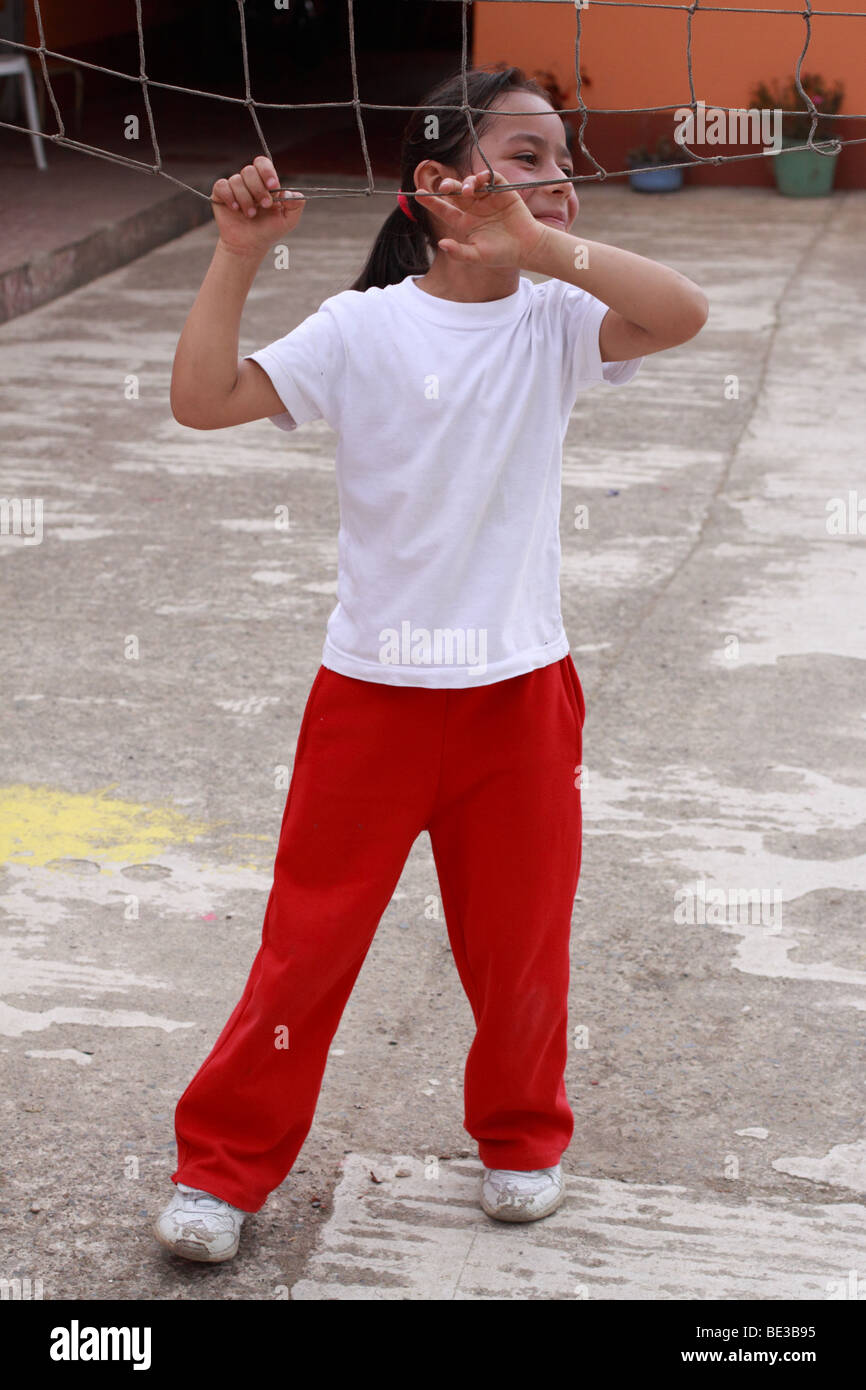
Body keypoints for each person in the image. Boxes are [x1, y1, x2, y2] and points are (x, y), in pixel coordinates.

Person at [154, 65, 708, 1264]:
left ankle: (520, 1137)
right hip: (373, 698)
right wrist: (237, 256)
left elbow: (680, 313)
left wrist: (549, 248)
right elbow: (201, 400)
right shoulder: (364, 327)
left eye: (561, 160)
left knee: (518, 944)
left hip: (518, 694)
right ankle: (223, 1168)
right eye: (521, 155)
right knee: (307, 948)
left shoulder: (556, 321)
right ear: (434, 183)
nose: (553, 179)